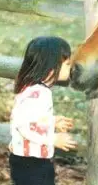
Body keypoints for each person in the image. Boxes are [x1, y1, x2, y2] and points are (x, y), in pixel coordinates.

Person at [9, 36, 77, 185]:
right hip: (32, 163)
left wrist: (52, 122)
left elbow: (33, 118)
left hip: (27, 160)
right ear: (51, 68)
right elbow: (25, 126)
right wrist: (53, 139)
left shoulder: (32, 88)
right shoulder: (38, 93)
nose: (70, 67)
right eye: (67, 64)